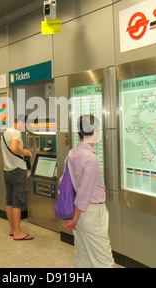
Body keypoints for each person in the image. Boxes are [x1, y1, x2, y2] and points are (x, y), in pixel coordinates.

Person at [61, 114, 114, 268]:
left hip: (77, 211)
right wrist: (75, 218)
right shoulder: (91, 159)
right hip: (90, 212)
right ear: (94, 131)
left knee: (82, 258)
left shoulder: (72, 153)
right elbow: (84, 194)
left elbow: (64, 185)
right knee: (104, 262)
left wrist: (70, 215)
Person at [1, 114, 33, 241]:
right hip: (18, 171)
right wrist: (24, 152)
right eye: (25, 124)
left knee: (9, 201)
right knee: (18, 202)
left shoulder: (4, 133)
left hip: (7, 170)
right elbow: (14, 148)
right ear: (19, 122)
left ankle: (12, 230)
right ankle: (18, 233)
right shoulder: (16, 133)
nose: (25, 127)